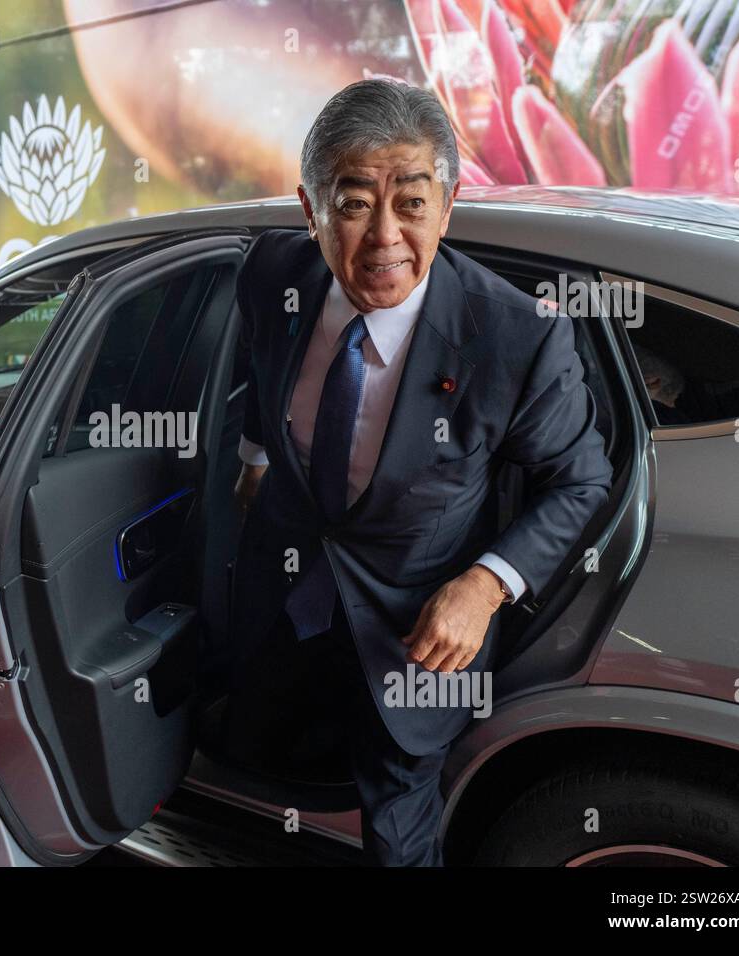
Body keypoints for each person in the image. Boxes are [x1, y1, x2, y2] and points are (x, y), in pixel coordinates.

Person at [223, 80, 613, 866]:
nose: (384, 239)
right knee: (254, 761)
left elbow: (580, 481)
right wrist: (255, 464)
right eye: (356, 203)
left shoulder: (514, 338)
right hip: (290, 586)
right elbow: (256, 372)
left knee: (398, 832)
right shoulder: (271, 273)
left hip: (419, 629)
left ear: (449, 205)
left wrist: (486, 586)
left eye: (411, 202)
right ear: (310, 209)